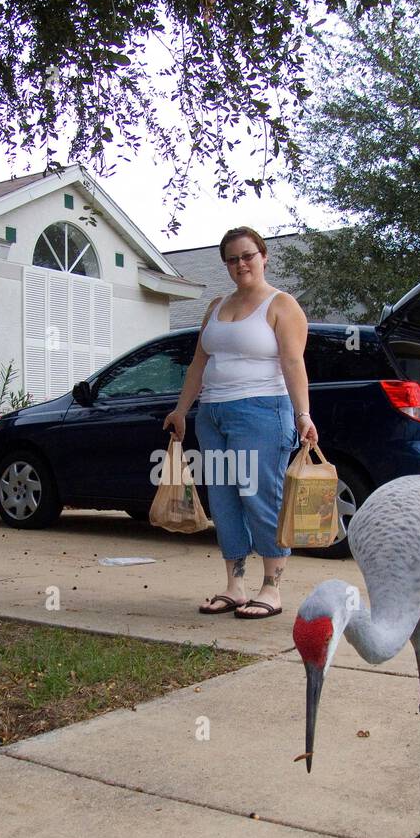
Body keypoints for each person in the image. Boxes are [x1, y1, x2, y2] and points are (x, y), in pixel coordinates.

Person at [163, 226, 318, 619]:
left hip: (262, 411)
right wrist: (182, 410)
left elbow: (293, 362)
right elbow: (200, 361)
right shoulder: (215, 305)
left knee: (260, 496)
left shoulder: (282, 305)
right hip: (213, 414)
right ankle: (235, 586)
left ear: (263, 257)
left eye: (248, 255)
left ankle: (272, 587)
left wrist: (304, 415)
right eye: (232, 259)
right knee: (224, 499)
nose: (240, 264)